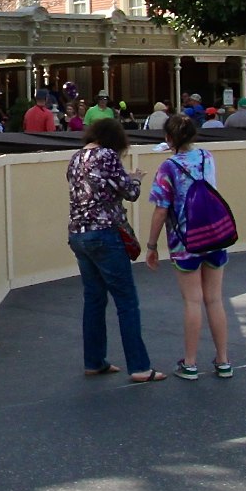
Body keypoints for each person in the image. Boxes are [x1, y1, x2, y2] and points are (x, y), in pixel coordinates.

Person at [143, 113, 235, 381]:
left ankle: (190, 363)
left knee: (192, 301)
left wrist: (151, 245)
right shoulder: (207, 157)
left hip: (185, 242)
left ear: (168, 138)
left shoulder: (168, 167)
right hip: (215, 236)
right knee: (215, 299)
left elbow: (161, 210)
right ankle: (223, 360)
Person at [65, 115, 153, 381]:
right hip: (105, 234)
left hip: (78, 234)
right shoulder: (108, 156)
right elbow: (130, 193)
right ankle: (139, 367)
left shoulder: (76, 158)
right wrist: (135, 179)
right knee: (126, 301)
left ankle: (94, 361)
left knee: (94, 299)